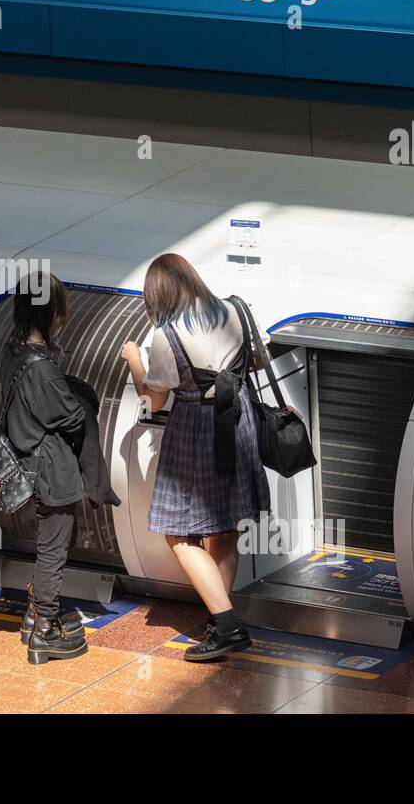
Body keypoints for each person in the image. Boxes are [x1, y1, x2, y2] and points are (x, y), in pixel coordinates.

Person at [119, 253, 275, 661]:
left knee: (178, 534)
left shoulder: (163, 336)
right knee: (224, 529)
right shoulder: (238, 309)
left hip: (195, 430)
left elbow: (154, 399)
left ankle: (227, 625)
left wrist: (135, 360)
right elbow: (259, 359)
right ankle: (221, 619)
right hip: (237, 420)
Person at [0, 271, 118, 665]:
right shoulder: (40, 366)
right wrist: (81, 401)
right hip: (52, 470)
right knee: (54, 549)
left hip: (27, 464)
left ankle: (35, 612)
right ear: (53, 311)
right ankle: (46, 630)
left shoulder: (12, 351)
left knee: (47, 546)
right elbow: (71, 417)